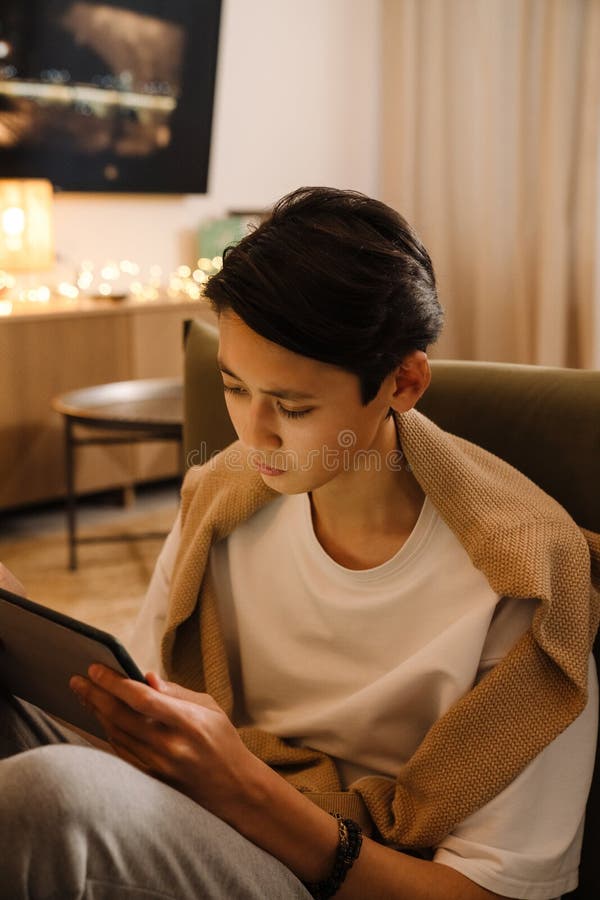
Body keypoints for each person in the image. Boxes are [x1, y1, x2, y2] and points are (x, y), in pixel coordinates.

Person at [0, 186, 598, 900]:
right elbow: (147, 702)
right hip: (208, 812)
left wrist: (245, 790)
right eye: (233, 388)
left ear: (402, 382)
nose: (253, 436)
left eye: (293, 407)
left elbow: (489, 894)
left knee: (54, 795)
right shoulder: (223, 498)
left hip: (336, 871)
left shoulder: (525, 580)